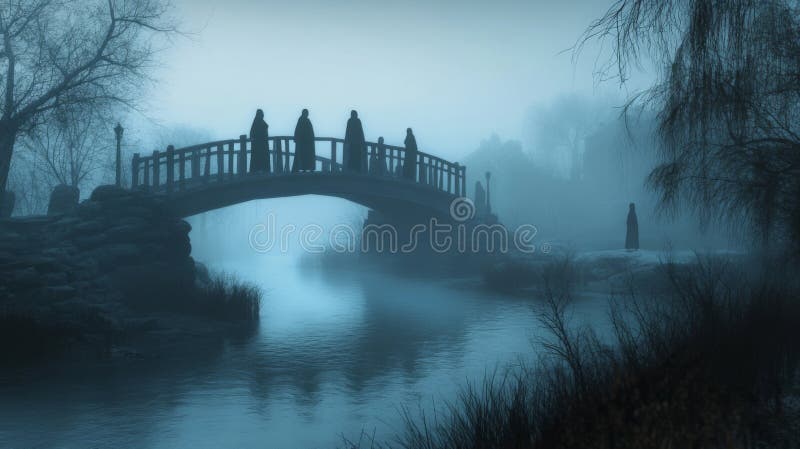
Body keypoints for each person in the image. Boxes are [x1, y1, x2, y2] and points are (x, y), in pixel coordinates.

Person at [249, 109, 270, 173]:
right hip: (259, 144)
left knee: (261, 157)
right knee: (259, 157)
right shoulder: (257, 122)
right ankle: (258, 170)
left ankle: (262, 170)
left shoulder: (257, 122)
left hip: (261, 144)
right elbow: (253, 133)